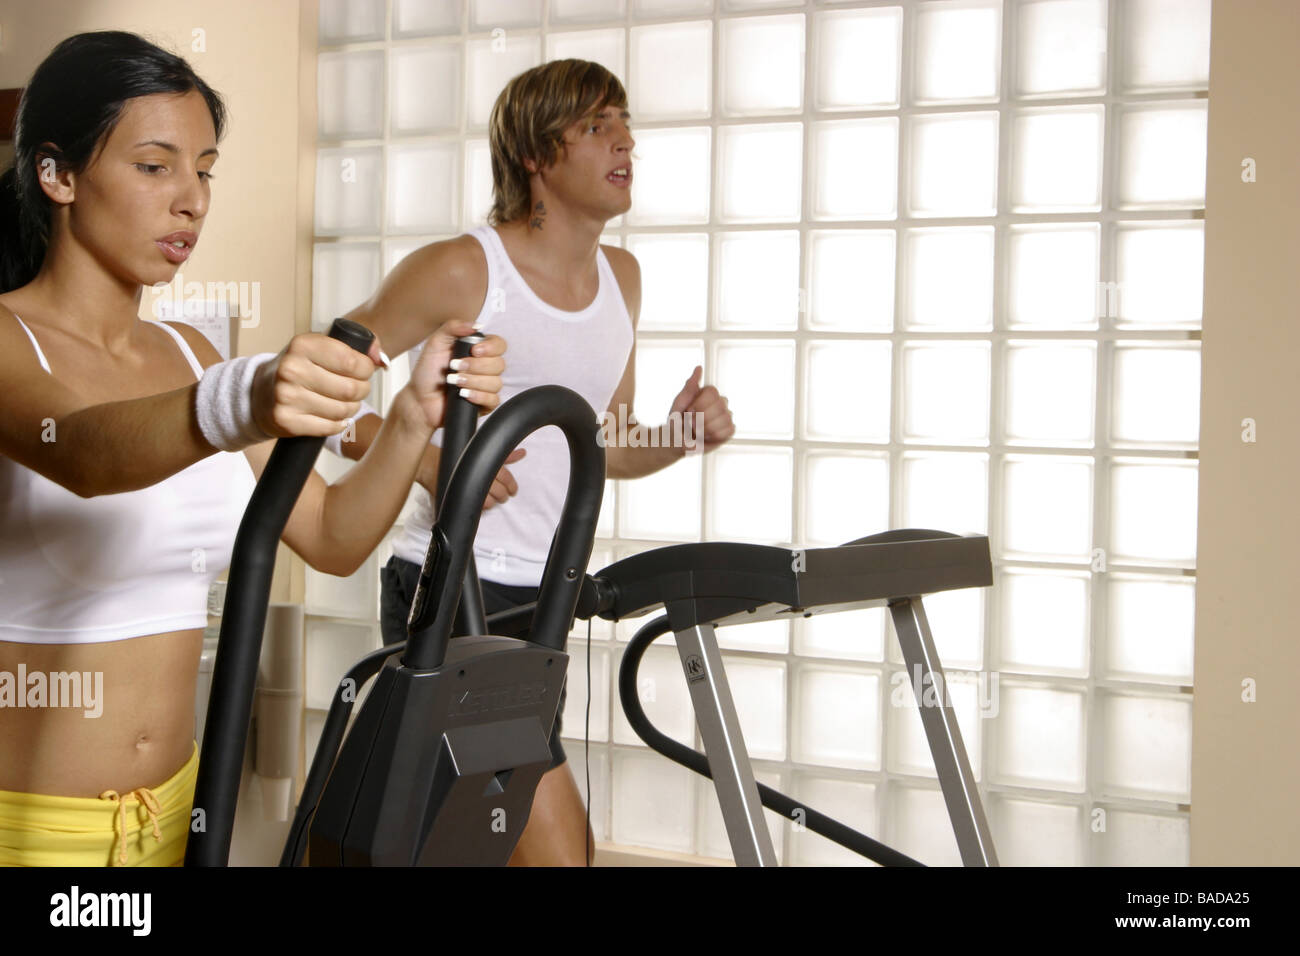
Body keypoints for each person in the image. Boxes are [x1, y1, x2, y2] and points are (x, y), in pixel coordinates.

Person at [0, 31, 505, 867]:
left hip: (179, 817)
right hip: (32, 832)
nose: (192, 200)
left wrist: (414, 417)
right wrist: (246, 397)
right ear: (56, 175)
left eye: (204, 169)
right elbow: (86, 454)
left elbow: (336, 537)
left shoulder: (192, 359)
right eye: (154, 165)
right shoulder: (16, 340)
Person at [333, 59, 736, 866]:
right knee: (552, 849)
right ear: (535, 155)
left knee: (466, 837)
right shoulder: (464, 268)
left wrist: (678, 435)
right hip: (449, 586)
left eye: (623, 123)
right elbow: (324, 390)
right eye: (595, 127)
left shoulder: (622, 278)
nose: (625, 141)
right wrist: (421, 460)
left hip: (542, 594)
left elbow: (604, 447)